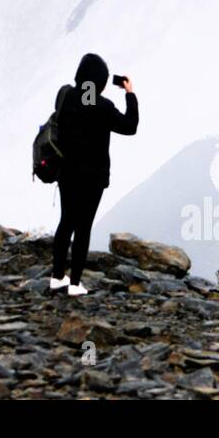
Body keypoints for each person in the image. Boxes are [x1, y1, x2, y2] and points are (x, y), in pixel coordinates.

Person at [51, 53, 138, 296]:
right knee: (83, 227)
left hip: (67, 173)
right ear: (100, 81)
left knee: (66, 221)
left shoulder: (66, 96)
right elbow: (130, 126)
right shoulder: (102, 107)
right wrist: (129, 93)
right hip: (92, 179)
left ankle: (57, 277)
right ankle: (75, 284)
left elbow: (79, 104)